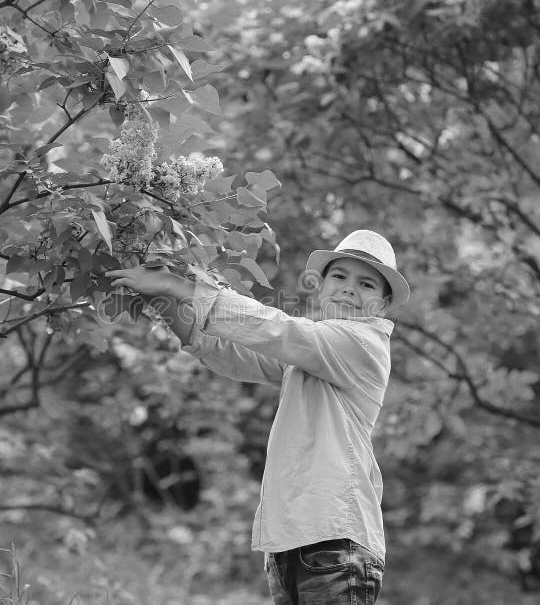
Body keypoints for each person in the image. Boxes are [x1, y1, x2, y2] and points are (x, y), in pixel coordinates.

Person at [106, 229, 410, 605]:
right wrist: (163, 297)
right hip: (293, 542)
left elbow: (275, 329)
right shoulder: (312, 354)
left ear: (380, 306)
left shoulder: (362, 344)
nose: (349, 289)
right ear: (321, 287)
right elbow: (225, 351)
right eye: (339, 277)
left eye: (366, 284)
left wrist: (176, 284)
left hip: (337, 540)